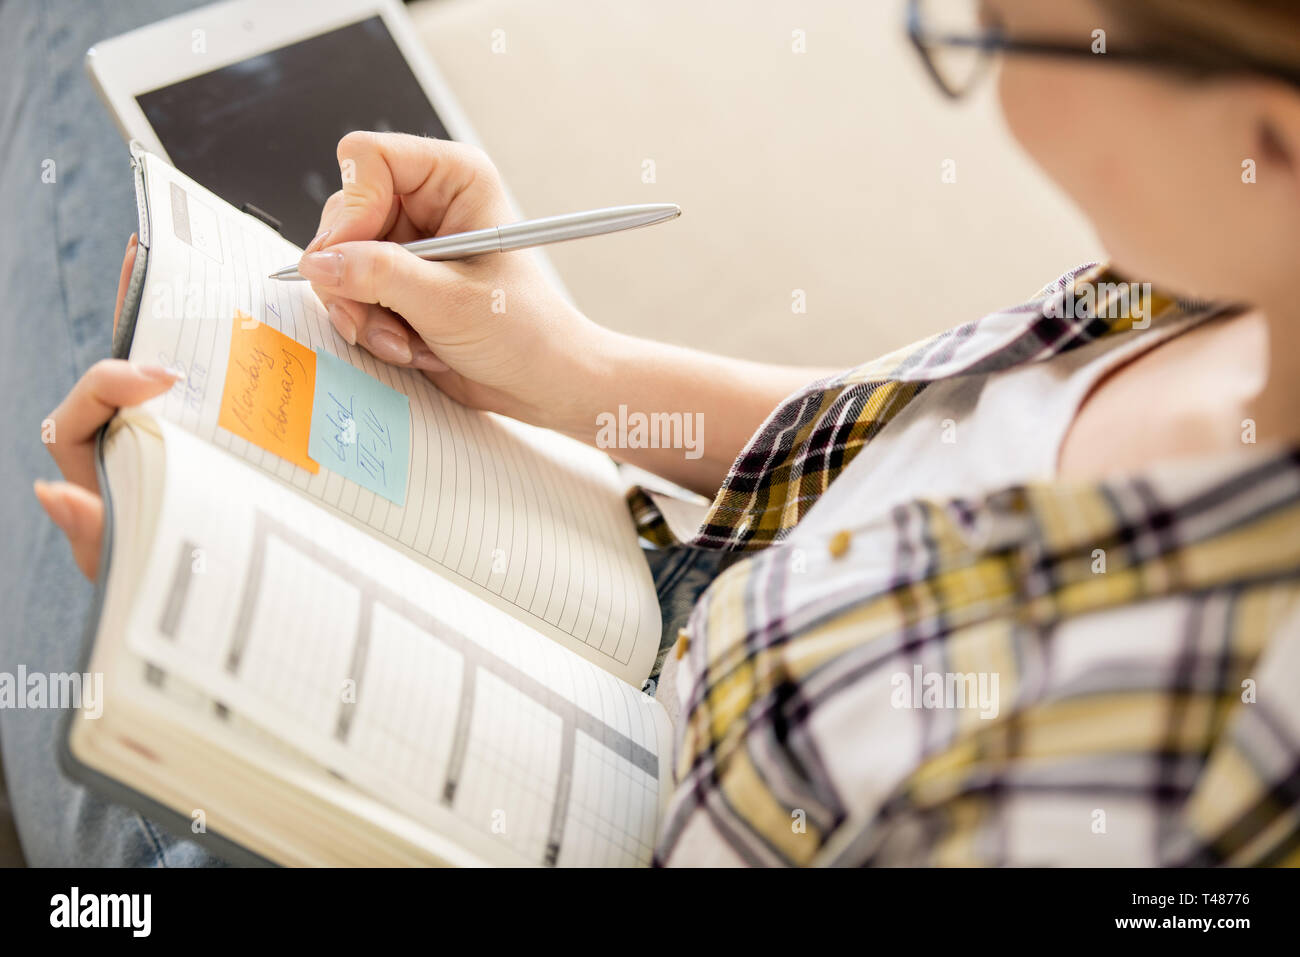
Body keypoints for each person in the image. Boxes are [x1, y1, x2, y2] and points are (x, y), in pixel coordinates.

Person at [14, 0, 1300, 865]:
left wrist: (197, 651)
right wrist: (578, 372)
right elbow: (910, 459)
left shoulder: (1183, 781)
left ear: (1274, 141)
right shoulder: (1217, 275)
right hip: (634, 586)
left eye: (994, 34)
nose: (980, 55)